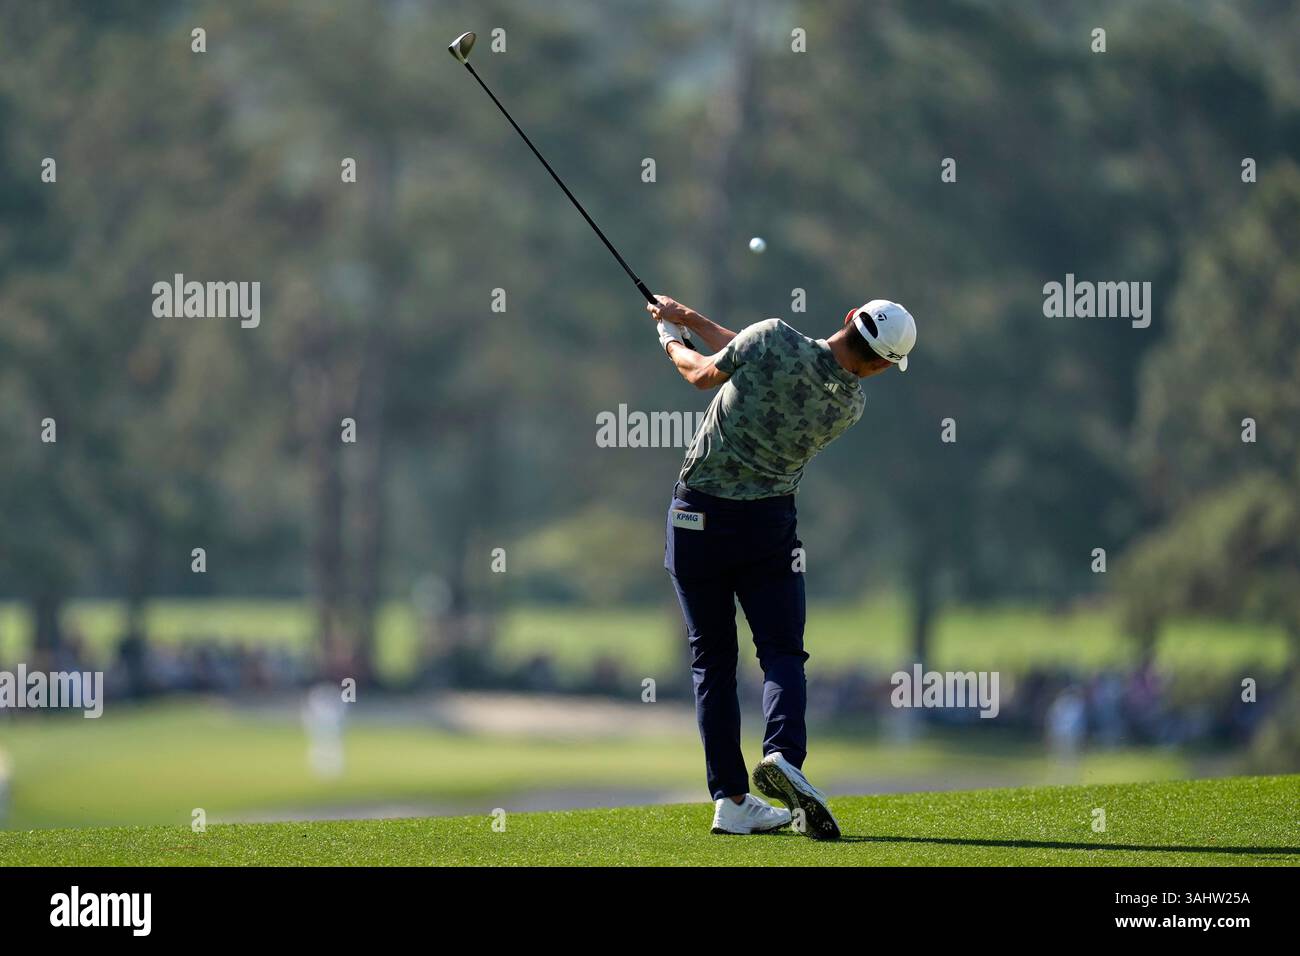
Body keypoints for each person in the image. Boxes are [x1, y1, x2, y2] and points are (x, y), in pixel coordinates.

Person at [649, 294, 917, 838]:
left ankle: (730, 798)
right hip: (766, 529)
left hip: (695, 518)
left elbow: (707, 373)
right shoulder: (848, 407)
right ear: (883, 365)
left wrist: (671, 339)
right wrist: (691, 318)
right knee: (781, 651)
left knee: (713, 663)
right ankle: (784, 756)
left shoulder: (771, 335)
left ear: (848, 318)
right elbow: (754, 360)